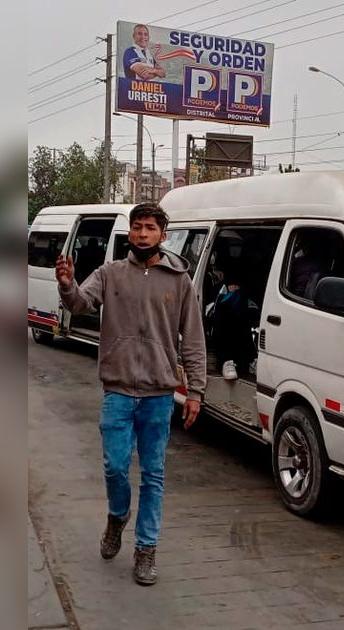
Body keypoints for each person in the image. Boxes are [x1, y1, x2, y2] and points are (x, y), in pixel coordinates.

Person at [55, 203, 205, 586]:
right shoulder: (110, 273)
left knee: (153, 475)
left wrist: (195, 392)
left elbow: (193, 340)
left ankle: (146, 550)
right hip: (118, 391)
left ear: (162, 235)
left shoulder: (179, 280)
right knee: (115, 467)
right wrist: (67, 284)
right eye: (137, 227)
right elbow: (80, 303)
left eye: (150, 228)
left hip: (158, 395)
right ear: (129, 233)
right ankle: (117, 515)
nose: (142, 234)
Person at [207, 266, 260, 381]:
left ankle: (250, 360)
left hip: (242, 311)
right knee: (226, 314)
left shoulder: (243, 294)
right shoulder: (218, 291)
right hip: (218, 319)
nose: (235, 287)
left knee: (241, 315)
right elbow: (210, 311)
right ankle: (226, 361)